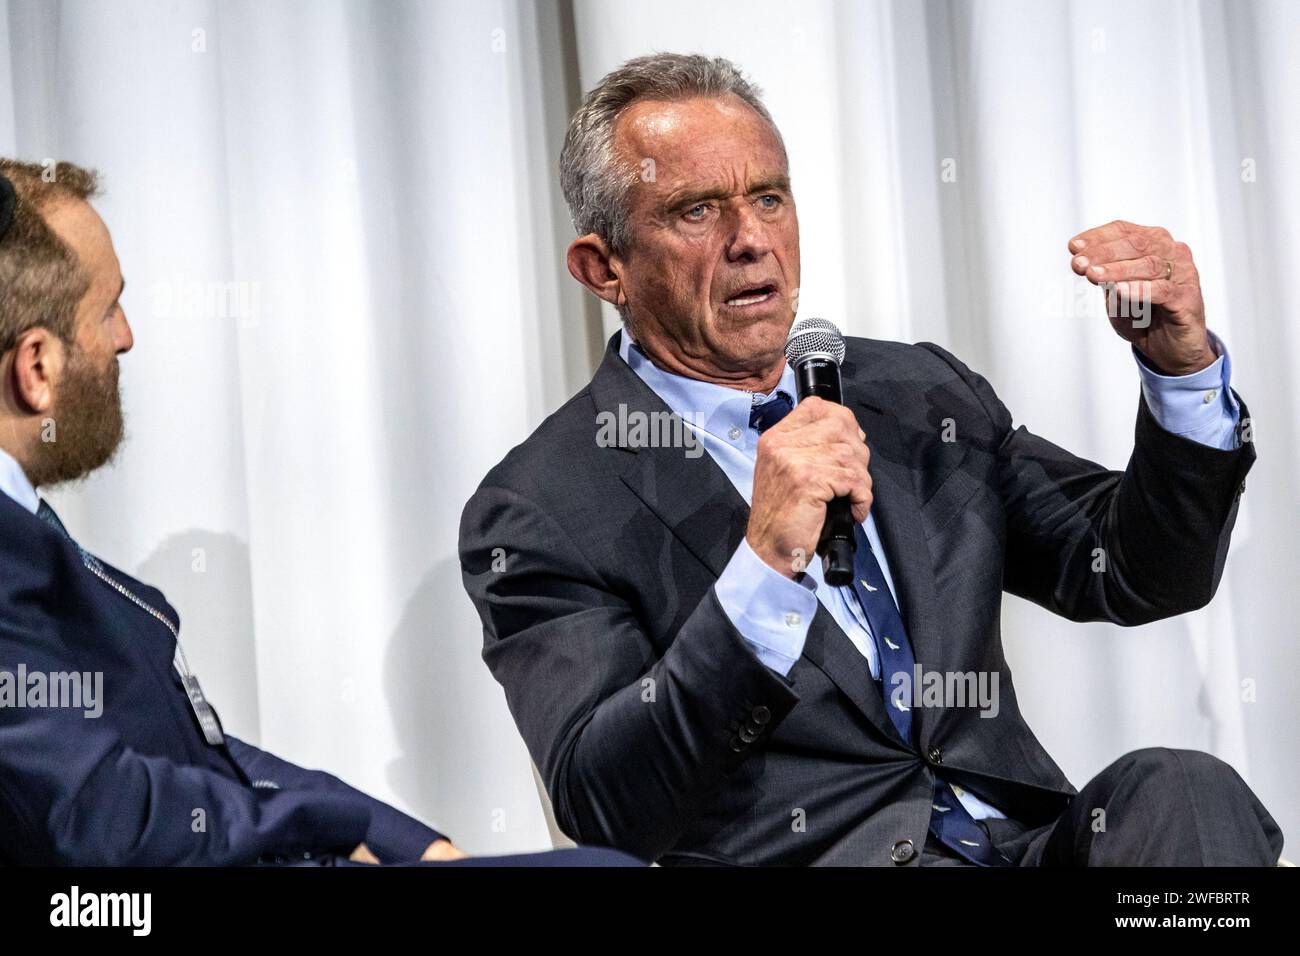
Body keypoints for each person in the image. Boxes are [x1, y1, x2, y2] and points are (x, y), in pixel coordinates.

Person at [458, 53, 1284, 866]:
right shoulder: (544, 504)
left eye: (769, 198)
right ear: (604, 268)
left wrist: (1181, 372)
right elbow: (608, 805)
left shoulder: (913, 393)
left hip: (1022, 847)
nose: (752, 242)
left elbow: (1137, 570)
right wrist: (766, 563)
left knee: (1181, 791)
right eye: (697, 211)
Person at [0, 159, 638, 868]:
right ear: (37, 366)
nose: (125, 337)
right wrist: (322, 828)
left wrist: (406, 842)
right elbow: (104, 813)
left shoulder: (27, 532)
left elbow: (204, 754)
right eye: (107, 308)